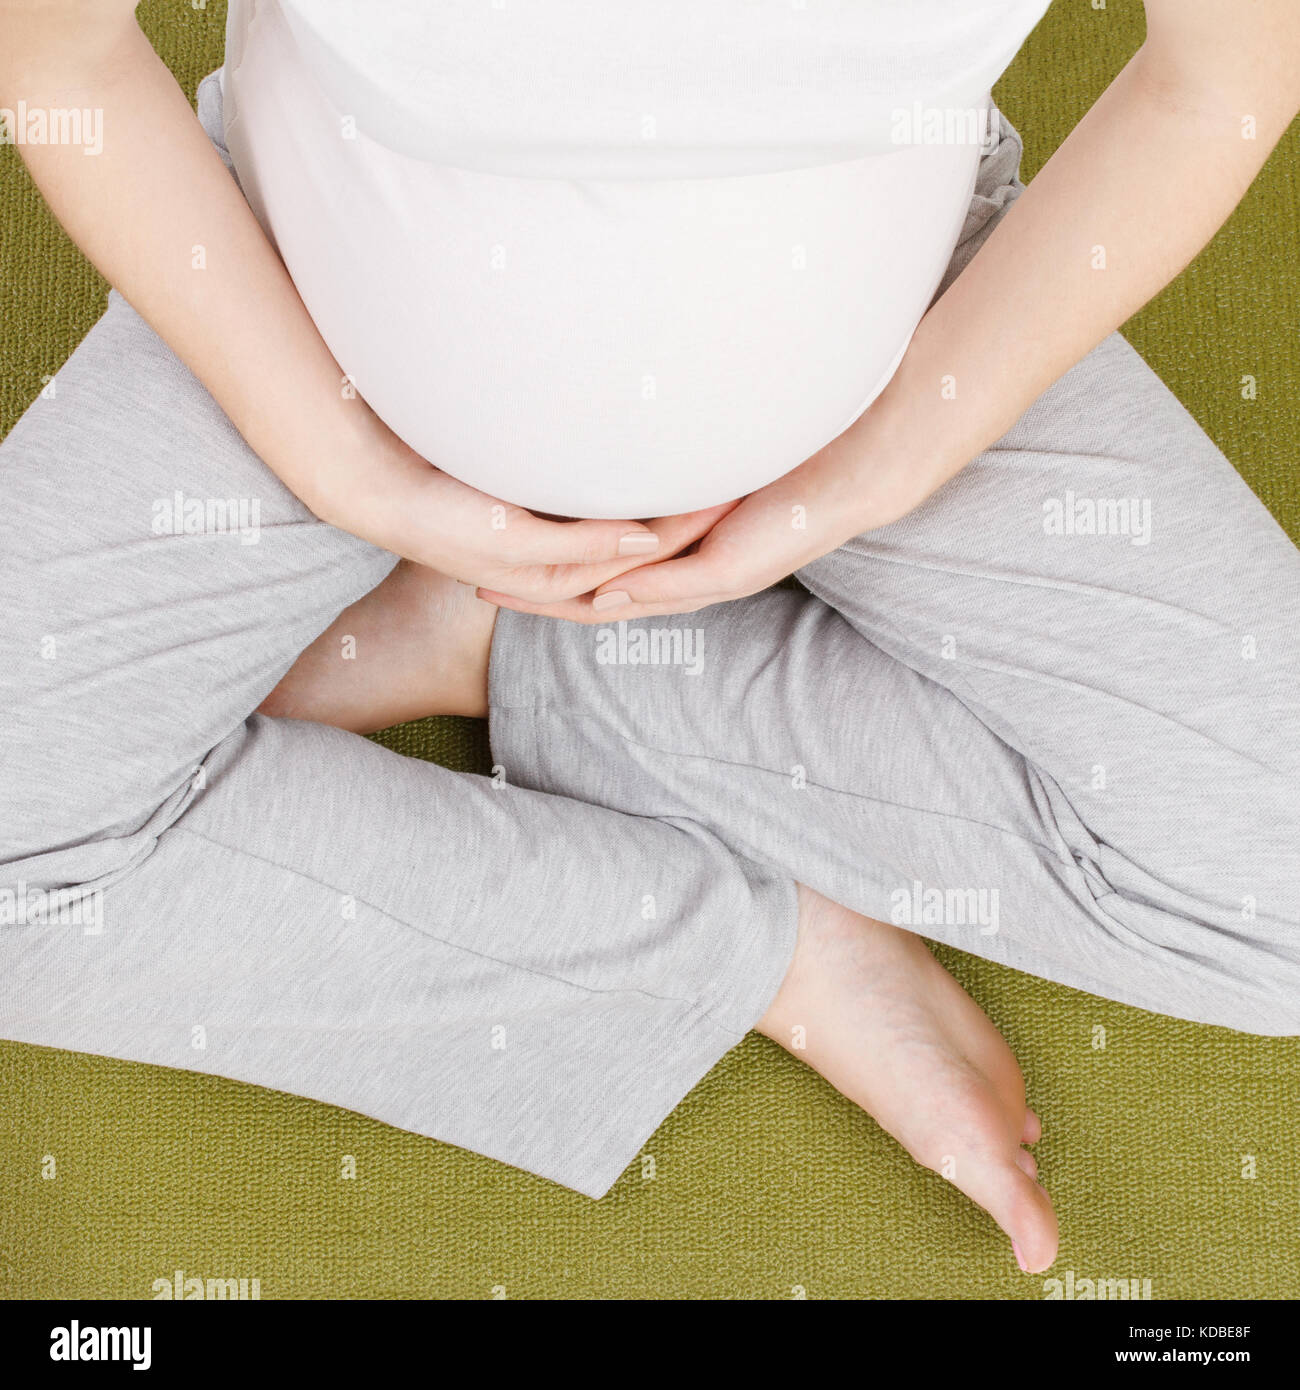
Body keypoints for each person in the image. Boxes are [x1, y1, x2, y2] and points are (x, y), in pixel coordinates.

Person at [3, 1, 1299, 1278]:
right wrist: (347, 471)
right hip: (299, 328)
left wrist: (879, 465)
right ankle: (773, 944)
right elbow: (59, 52)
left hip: (900, 362)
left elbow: (1223, 76)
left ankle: (526, 650)